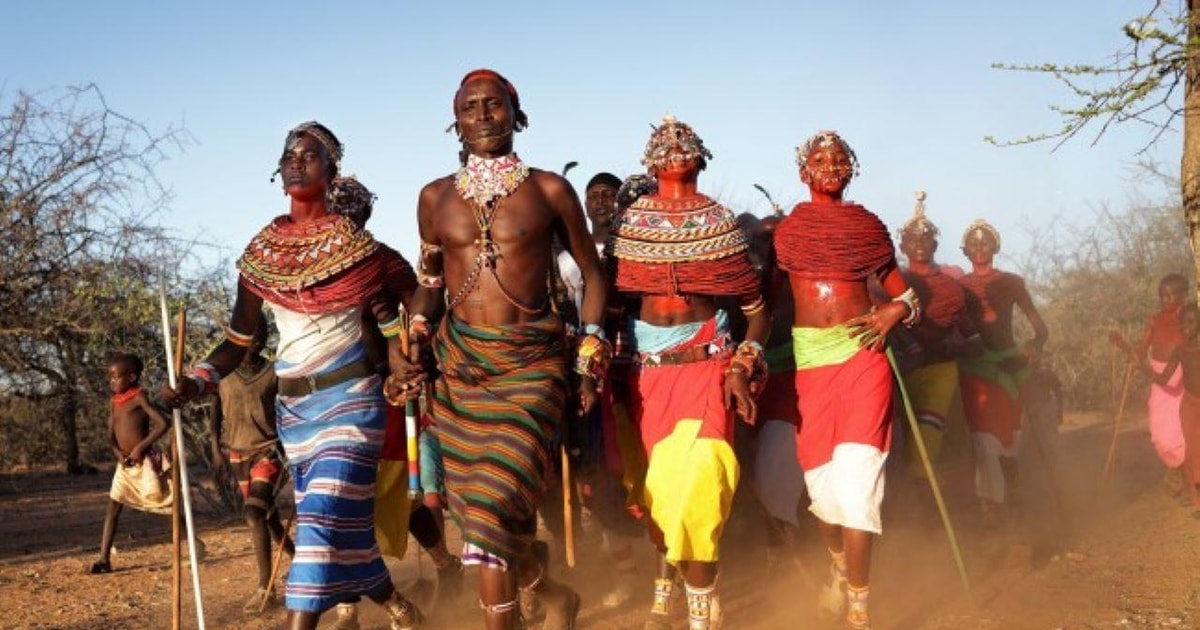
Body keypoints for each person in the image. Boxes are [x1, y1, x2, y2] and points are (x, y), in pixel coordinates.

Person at [161, 122, 423, 630]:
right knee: (341, 531)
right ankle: (399, 607)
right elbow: (239, 340)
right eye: (289, 154)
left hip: (351, 399)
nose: (297, 160)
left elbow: (390, 319)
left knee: (319, 525)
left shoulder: (354, 248)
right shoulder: (262, 252)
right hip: (293, 414)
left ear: (331, 170)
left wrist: (402, 358)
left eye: (311, 154)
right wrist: (196, 382)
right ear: (278, 172)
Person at [399, 69, 606, 630]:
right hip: (460, 371)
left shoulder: (549, 191)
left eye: (495, 104)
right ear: (456, 121)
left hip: (532, 367)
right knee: (481, 518)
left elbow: (591, 273)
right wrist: (415, 328)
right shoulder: (434, 198)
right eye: (471, 107)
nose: (484, 114)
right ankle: (554, 594)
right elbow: (431, 283)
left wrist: (589, 353)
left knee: (491, 502)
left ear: (516, 114)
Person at [608, 116, 768, 630]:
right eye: (663, 143)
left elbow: (757, 308)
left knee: (699, 484)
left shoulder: (719, 222)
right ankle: (684, 588)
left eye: (684, 144)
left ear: (701, 157)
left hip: (708, 365)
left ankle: (700, 615)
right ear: (649, 160)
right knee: (661, 496)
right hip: (649, 376)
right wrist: (596, 359)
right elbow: (610, 304)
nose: (674, 149)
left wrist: (743, 364)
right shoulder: (631, 226)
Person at [773, 131, 920, 630]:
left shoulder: (865, 229)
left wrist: (894, 310)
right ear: (803, 171)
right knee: (824, 495)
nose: (830, 164)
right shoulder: (787, 233)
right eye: (819, 158)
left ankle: (860, 610)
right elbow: (759, 301)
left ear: (851, 168)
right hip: (812, 367)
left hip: (863, 359)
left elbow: (909, 295)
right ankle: (838, 568)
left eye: (838, 158)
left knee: (858, 490)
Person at [957, 219, 1048, 525]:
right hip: (976, 369)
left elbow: (1040, 329)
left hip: (1011, 366)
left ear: (995, 248)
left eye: (985, 243)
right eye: (973, 243)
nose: (980, 248)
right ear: (965, 250)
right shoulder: (958, 288)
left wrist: (1034, 345)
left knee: (1012, 442)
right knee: (984, 440)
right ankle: (991, 512)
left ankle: (1014, 497)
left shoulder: (1012, 282)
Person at [894, 193, 981, 480]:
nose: (919, 243)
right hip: (899, 372)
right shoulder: (888, 284)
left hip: (940, 369)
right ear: (902, 245)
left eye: (926, 238)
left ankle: (922, 500)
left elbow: (973, 336)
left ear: (935, 244)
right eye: (912, 238)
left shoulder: (952, 288)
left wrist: (960, 345)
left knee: (926, 438)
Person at [209, 320, 294, 612]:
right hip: (237, 453)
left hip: (267, 451)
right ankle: (299, 562)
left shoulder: (274, 372)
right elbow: (216, 411)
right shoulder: (223, 373)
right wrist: (215, 448)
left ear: (264, 339)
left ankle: (264, 589)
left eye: (259, 336)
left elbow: (289, 408)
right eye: (248, 336)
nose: (253, 342)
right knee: (267, 517)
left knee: (254, 512)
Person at [90, 353, 201, 574]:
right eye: (110, 378)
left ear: (131, 377)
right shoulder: (114, 402)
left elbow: (163, 423)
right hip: (125, 466)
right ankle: (104, 559)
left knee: (168, 505)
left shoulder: (139, 397)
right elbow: (110, 433)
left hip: (146, 464)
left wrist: (141, 447)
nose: (112, 382)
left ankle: (193, 545)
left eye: (116, 377)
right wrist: (116, 452)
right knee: (113, 506)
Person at [1111, 273, 1189, 493]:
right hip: (1159, 379)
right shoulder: (1154, 320)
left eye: (1171, 295)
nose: (1166, 300)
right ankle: (1178, 468)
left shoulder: (1189, 318)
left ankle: (1183, 475)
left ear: (1184, 296)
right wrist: (1124, 345)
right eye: (1162, 295)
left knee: (1184, 430)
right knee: (1160, 433)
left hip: (1183, 378)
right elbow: (1141, 351)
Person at [1126, 303, 1200, 510]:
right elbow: (1164, 378)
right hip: (1190, 407)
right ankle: (1195, 499)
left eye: (1191, 322)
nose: (1186, 327)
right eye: (1182, 323)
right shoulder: (1180, 351)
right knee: (1191, 452)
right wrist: (1141, 367)